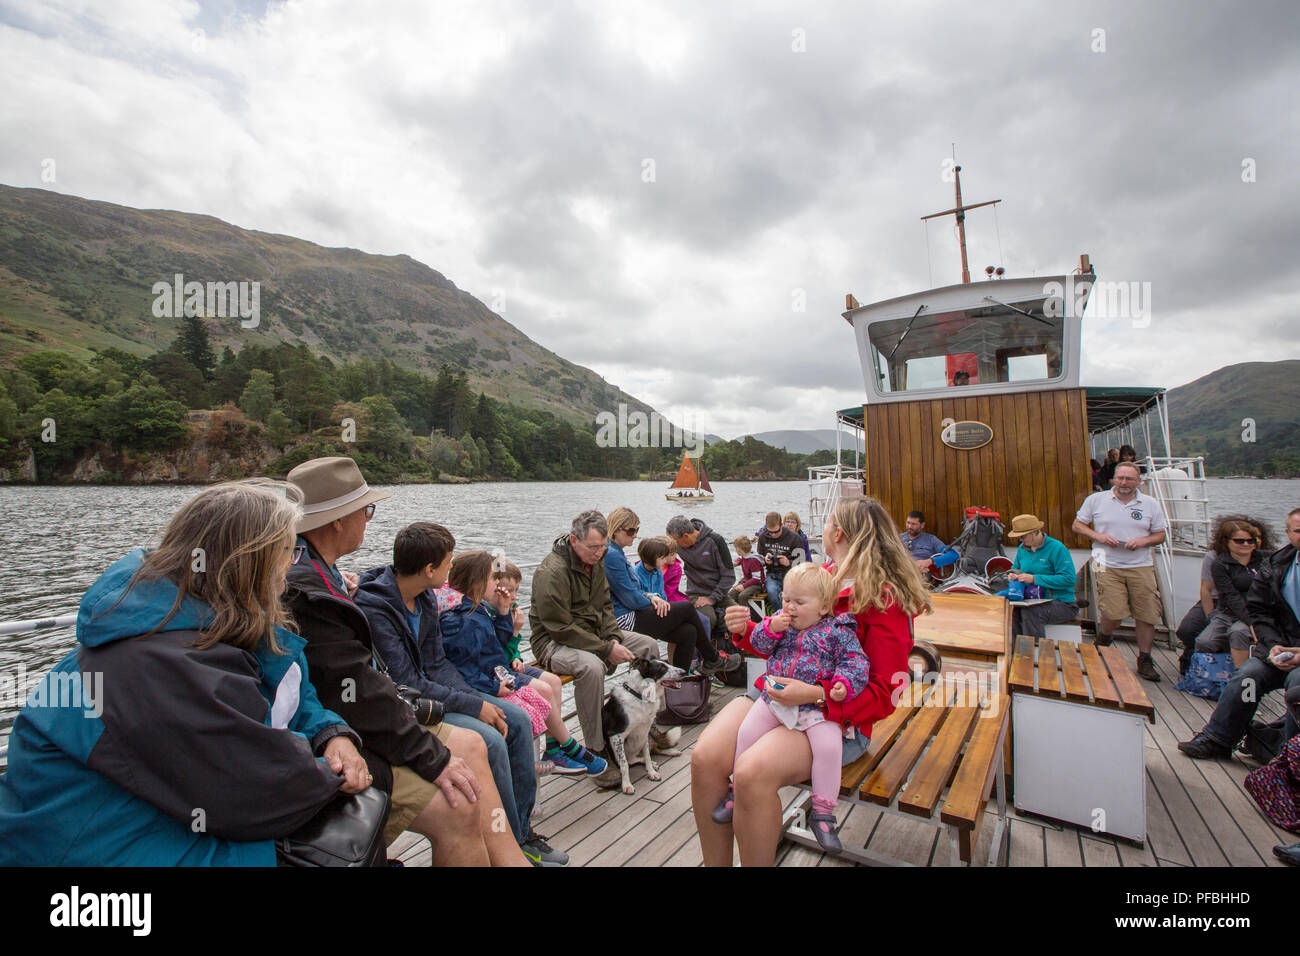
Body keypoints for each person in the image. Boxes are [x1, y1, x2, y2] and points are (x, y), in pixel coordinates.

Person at [0, 481, 389, 866]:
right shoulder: (161, 664)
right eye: (288, 552)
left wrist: (330, 734)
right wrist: (332, 777)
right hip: (102, 849)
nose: (291, 568)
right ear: (249, 563)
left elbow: (294, 698)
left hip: (158, 822)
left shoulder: (224, 625)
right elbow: (258, 791)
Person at [284, 458, 528, 867]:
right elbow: (358, 691)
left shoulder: (324, 574)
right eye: (365, 510)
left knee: (473, 742)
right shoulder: (312, 592)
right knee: (461, 794)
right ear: (336, 521)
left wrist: (469, 698)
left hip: (376, 713)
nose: (368, 518)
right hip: (349, 732)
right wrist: (434, 756)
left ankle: (511, 856)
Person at [691, 496, 931, 866]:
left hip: (836, 721)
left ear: (837, 532)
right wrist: (749, 631)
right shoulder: (823, 579)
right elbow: (794, 643)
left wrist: (820, 695)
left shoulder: (883, 599)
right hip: (780, 699)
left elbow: (889, 689)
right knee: (705, 758)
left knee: (751, 772)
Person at [349, 522, 562, 865]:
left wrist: (479, 702)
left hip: (437, 694)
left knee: (517, 719)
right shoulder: (378, 610)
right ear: (430, 569)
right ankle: (501, 838)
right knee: (490, 741)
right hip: (410, 704)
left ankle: (520, 833)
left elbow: (437, 663)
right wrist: (473, 704)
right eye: (447, 563)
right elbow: (406, 679)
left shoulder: (424, 600)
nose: (451, 570)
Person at [711, 563, 869, 852]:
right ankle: (735, 791)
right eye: (785, 599)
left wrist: (843, 684)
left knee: (829, 748)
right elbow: (757, 643)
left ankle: (822, 813)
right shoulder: (779, 624)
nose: (789, 607)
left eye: (799, 602)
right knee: (746, 732)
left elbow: (856, 663)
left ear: (823, 607)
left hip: (817, 707)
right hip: (777, 698)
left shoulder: (839, 631)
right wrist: (769, 629)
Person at [440, 550, 604, 779]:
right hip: (493, 677)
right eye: (492, 578)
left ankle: (557, 749)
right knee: (542, 693)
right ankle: (564, 747)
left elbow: (495, 647)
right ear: (477, 583)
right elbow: (467, 664)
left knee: (551, 685)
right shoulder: (464, 619)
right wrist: (492, 685)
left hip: (498, 671)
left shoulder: (478, 612)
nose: (497, 583)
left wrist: (504, 613)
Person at [528, 510, 661, 786]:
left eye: (603, 546)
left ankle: (645, 728)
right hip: (553, 641)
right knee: (591, 667)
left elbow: (604, 606)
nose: (600, 553)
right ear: (574, 540)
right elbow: (560, 627)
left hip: (593, 634)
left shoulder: (595, 560)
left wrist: (612, 638)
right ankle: (596, 748)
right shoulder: (552, 572)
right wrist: (605, 648)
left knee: (647, 645)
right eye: (593, 547)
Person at [1180, 508, 1300, 760]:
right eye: (1298, 530)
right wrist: (1273, 645)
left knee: (1296, 687)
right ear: (1288, 533)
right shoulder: (1278, 564)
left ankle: (1288, 758)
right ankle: (1220, 739)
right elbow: (1260, 610)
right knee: (1248, 677)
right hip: (1281, 648)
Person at [605, 506, 740, 676]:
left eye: (636, 530)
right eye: (631, 530)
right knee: (687, 608)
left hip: (633, 610)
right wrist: (653, 600)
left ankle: (679, 685)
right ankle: (712, 658)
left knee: (688, 632)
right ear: (616, 530)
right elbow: (631, 599)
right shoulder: (612, 556)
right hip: (625, 618)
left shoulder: (616, 553)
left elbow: (635, 591)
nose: (635, 535)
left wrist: (652, 596)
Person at [1071, 461, 1168, 682]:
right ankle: (1104, 636)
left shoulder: (1150, 503)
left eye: (1129, 479)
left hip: (1140, 563)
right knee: (1112, 612)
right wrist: (1099, 536)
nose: (1124, 483)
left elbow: (1160, 535)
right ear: (1114, 478)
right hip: (1102, 559)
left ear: (1139, 481)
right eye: (1120, 478)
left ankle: (1144, 658)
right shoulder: (1096, 500)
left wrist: (1144, 540)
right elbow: (1078, 525)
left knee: (1147, 613)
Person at [1194, 519, 1265, 669]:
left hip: (1257, 611)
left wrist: (1253, 622)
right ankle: (1210, 675)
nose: (1246, 544)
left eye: (1250, 540)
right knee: (1204, 642)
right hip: (1229, 612)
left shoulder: (1266, 559)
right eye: (1240, 541)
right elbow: (1231, 596)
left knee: (1238, 632)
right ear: (1226, 542)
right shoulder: (1220, 564)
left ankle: (1242, 678)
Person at [1004, 513, 1078, 639]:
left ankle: (1034, 652)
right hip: (1032, 600)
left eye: (1022, 536)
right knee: (1011, 611)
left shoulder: (1057, 548)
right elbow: (1016, 569)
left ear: (1034, 532)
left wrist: (1034, 579)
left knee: (1031, 613)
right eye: (1019, 537)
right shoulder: (1022, 549)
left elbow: (1069, 579)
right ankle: (1016, 652)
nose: (1020, 540)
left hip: (1062, 602)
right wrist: (1013, 575)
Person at [666, 515, 738, 634]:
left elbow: (729, 576)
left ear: (685, 536)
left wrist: (712, 598)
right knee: (708, 619)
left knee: (741, 616)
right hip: (696, 593)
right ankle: (706, 652)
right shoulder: (679, 545)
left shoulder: (715, 541)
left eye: (676, 542)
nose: (675, 546)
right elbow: (660, 555)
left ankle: (738, 650)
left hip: (719, 592)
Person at [755, 511, 802, 611]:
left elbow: (801, 562)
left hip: (791, 573)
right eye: (770, 532)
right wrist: (765, 559)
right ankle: (782, 615)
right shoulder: (763, 537)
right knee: (772, 592)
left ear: (781, 525)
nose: (773, 535)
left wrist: (788, 562)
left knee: (793, 595)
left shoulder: (794, 538)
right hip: (773, 572)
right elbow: (759, 557)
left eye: (776, 531)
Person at [731, 535, 766, 607]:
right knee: (732, 594)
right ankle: (735, 612)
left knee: (742, 596)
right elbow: (738, 561)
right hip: (747, 581)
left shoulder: (753, 560)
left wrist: (743, 586)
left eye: (736, 548)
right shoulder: (744, 556)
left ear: (739, 549)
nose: (736, 550)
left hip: (757, 585)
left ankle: (745, 614)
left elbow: (756, 579)